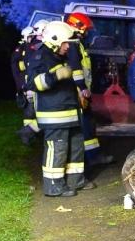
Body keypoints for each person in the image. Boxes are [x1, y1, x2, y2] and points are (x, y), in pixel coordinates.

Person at [25, 21, 93, 197]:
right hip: (54, 114)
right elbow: (32, 83)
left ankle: (75, 180)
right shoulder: (40, 56)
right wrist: (55, 76)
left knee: (76, 146)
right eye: (65, 43)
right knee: (57, 149)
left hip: (70, 111)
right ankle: (53, 186)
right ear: (55, 40)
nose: (67, 47)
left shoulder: (58, 56)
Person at [65, 12, 115, 167]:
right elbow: (76, 68)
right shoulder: (72, 45)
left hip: (81, 92)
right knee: (85, 125)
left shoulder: (76, 44)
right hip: (78, 93)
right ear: (78, 27)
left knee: (89, 124)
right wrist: (81, 88)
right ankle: (90, 158)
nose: (87, 32)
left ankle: (93, 156)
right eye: (86, 29)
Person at [12, 25, 39, 145]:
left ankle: (28, 133)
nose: (33, 38)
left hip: (26, 83)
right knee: (29, 110)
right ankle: (27, 134)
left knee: (31, 111)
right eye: (31, 36)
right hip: (25, 84)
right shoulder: (22, 49)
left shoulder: (26, 48)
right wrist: (22, 86)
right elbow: (19, 68)